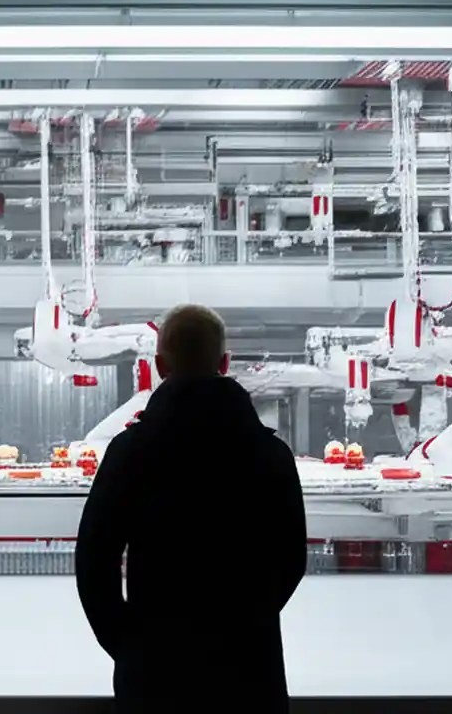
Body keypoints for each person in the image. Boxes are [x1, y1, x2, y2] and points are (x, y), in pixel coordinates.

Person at [75, 304, 306, 714]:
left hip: (155, 672)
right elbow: (291, 560)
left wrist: (128, 645)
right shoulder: (270, 454)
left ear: (160, 365)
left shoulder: (131, 452)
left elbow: (94, 558)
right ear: (224, 362)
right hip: (249, 672)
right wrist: (247, 621)